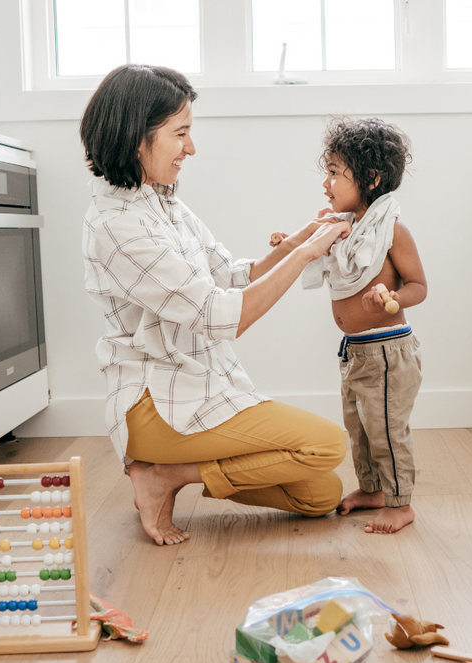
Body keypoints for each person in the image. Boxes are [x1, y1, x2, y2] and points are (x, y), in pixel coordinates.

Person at [78, 64, 352, 546]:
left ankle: (172, 471)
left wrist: (301, 240)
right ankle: (166, 474)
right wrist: (308, 254)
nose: (191, 148)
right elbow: (223, 315)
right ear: (136, 138)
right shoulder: (117, 225)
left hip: (202, 384)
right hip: (159, 404)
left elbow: (229, 275)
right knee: (328, 444)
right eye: (180, 133)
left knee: (320, 494)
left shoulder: (161, 201)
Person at [291, 117, 427, 534]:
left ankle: (401, 503)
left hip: (388, 352)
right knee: (361, 429)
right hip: (356, 353)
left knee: (386, 429)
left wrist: (392, 299)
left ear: (370, 177)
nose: (326, 183)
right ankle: (373, 490)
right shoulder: (346, 231)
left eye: (334, 173)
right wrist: (295, 242)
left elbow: (418, 286)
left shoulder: (392, 233)